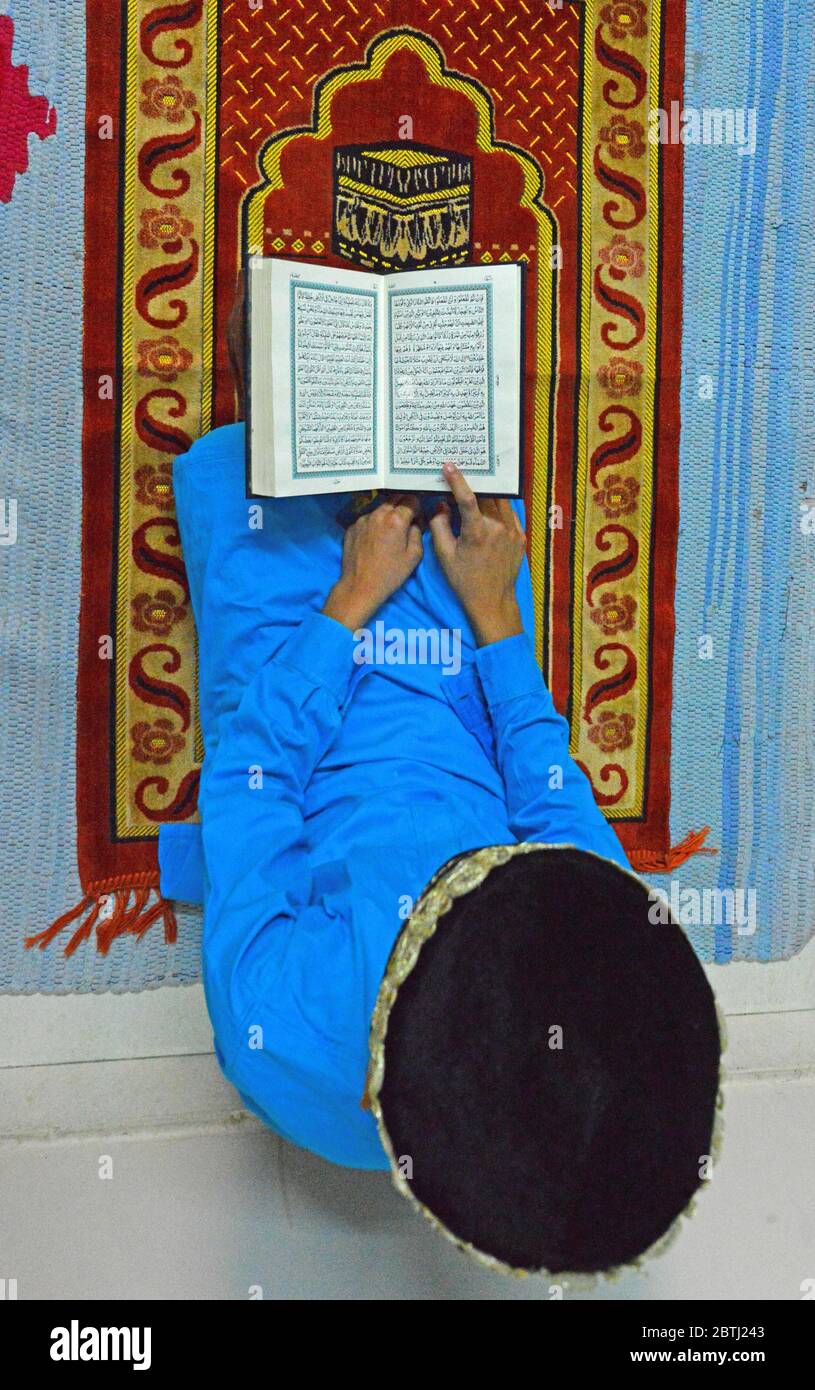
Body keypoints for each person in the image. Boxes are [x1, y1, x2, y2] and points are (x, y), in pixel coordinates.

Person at [158, 276, 721, 1276]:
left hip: (308, 662)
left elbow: (252, 779)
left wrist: (347, 601)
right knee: (473, 514)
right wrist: (494, 613)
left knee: (243, 473)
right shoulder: (595, 980)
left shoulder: (277, 1034)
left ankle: (289, 423)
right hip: (460, 672)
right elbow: (547, 790)